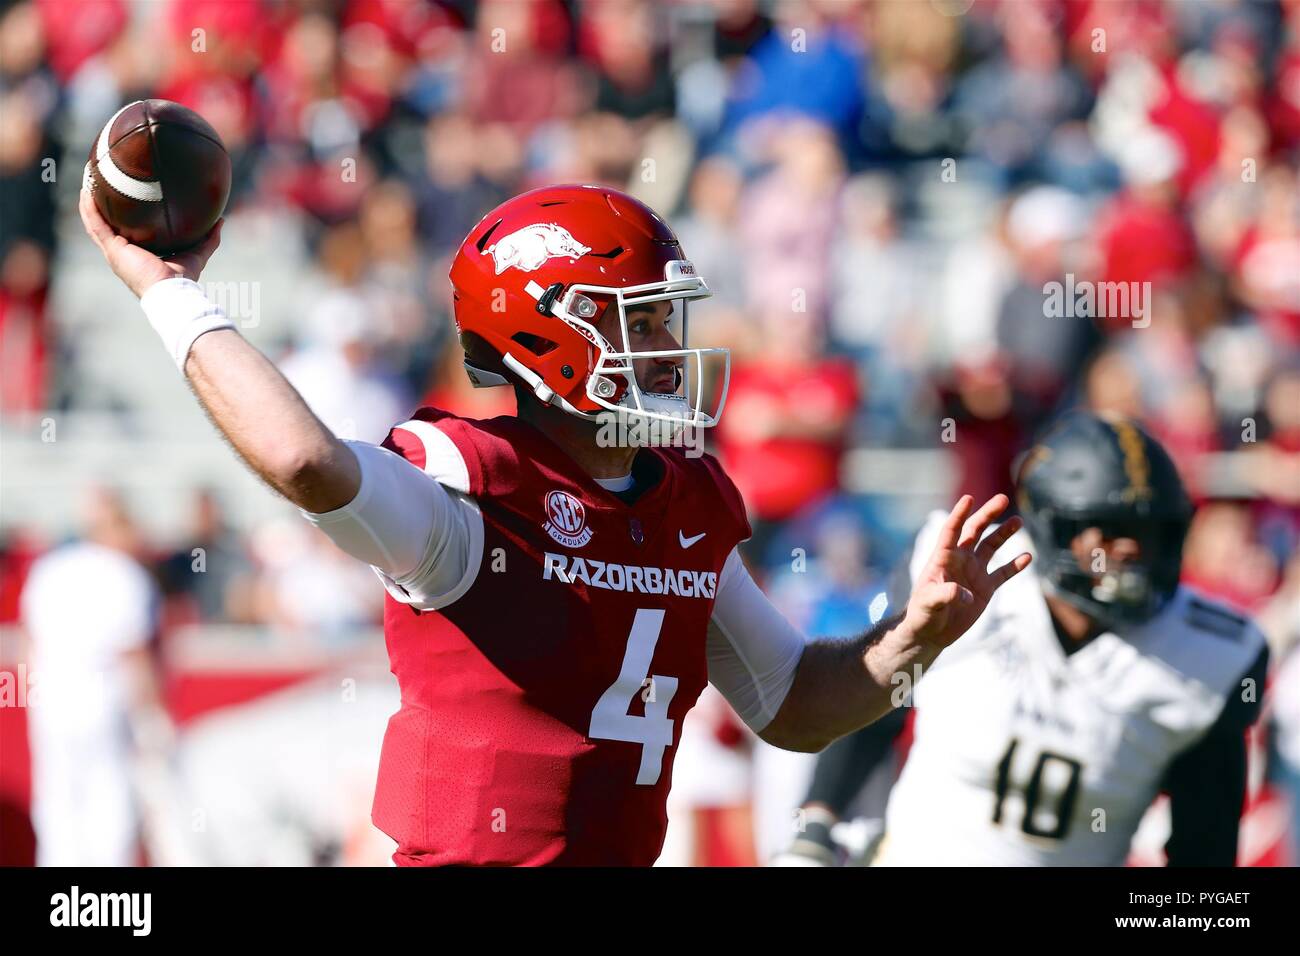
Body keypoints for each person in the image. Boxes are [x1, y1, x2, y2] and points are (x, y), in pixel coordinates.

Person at [79, 181, 1030, 867]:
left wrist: (916, 638)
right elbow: (304, 461)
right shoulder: (468, 488)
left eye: (669, 320)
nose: (673, 349)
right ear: (551, 336)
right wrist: (167, 289)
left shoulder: (685, 500)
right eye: (642, 322)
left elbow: (796, 708)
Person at [780, 412, 1269, 866]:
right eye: (1111, 529)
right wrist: (816, 827)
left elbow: (1204, 848)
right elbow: (869, 711)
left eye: (1150, 532)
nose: (1131, 550)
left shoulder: (1208, 657)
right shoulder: (966, 579)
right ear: (1057, 525)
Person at [21, 486, 173, 866]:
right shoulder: (123, 574)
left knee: (59, 797)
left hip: (52, 701)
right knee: (111, 794)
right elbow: (133, 654)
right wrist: (154, 716)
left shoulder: (50, 568)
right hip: (102, 701)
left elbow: (31, 643)